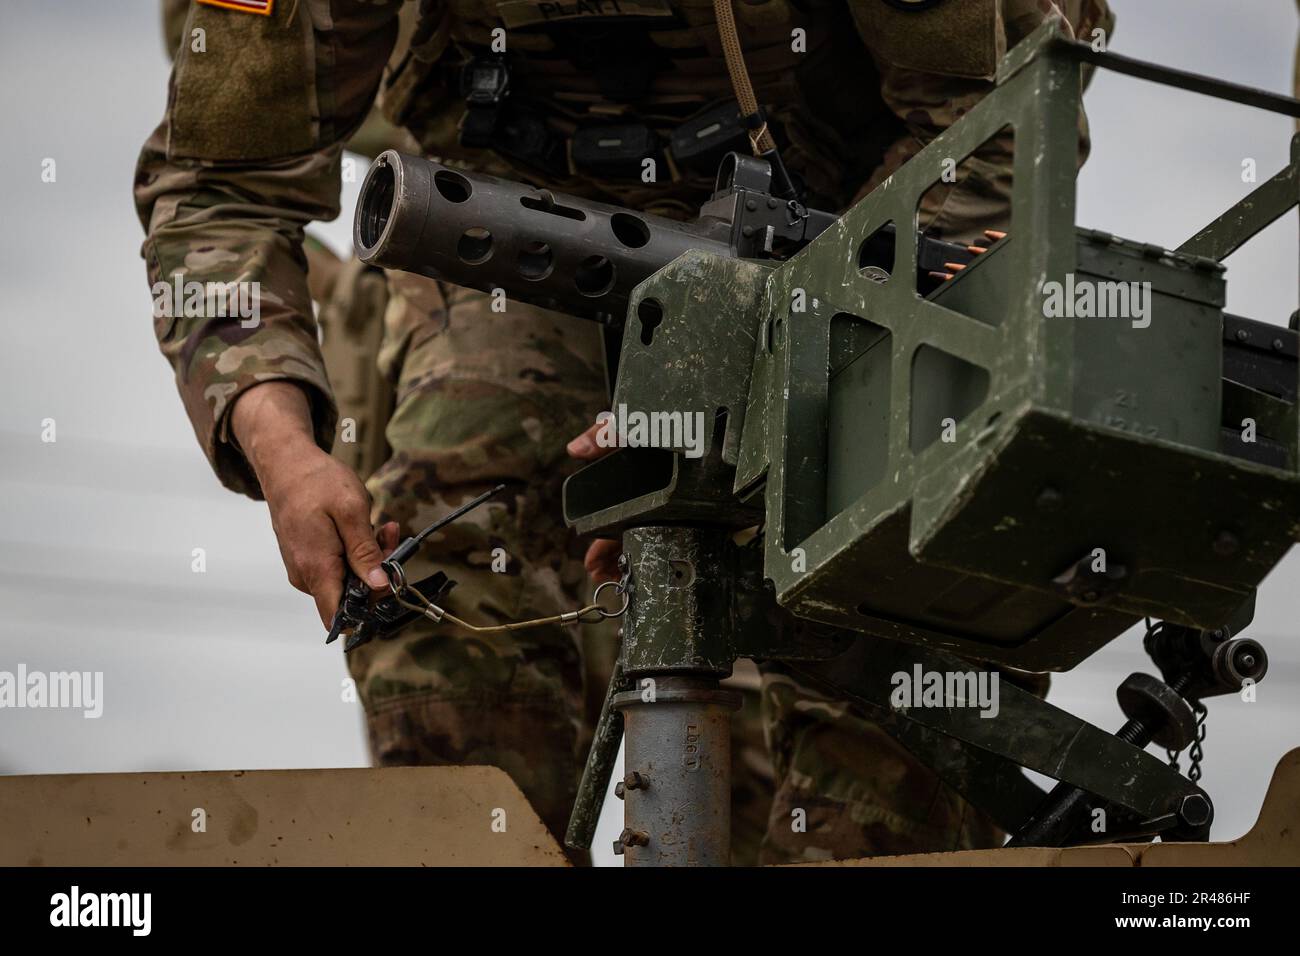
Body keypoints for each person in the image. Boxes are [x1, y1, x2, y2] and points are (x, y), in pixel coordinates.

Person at [135, 0, 1111, 862]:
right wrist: (285, 451)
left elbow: (996, 136)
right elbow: (222, 179)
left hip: (858, 228)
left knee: (868, 630)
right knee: (458, 543)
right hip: (509, 207)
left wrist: (756, 396)